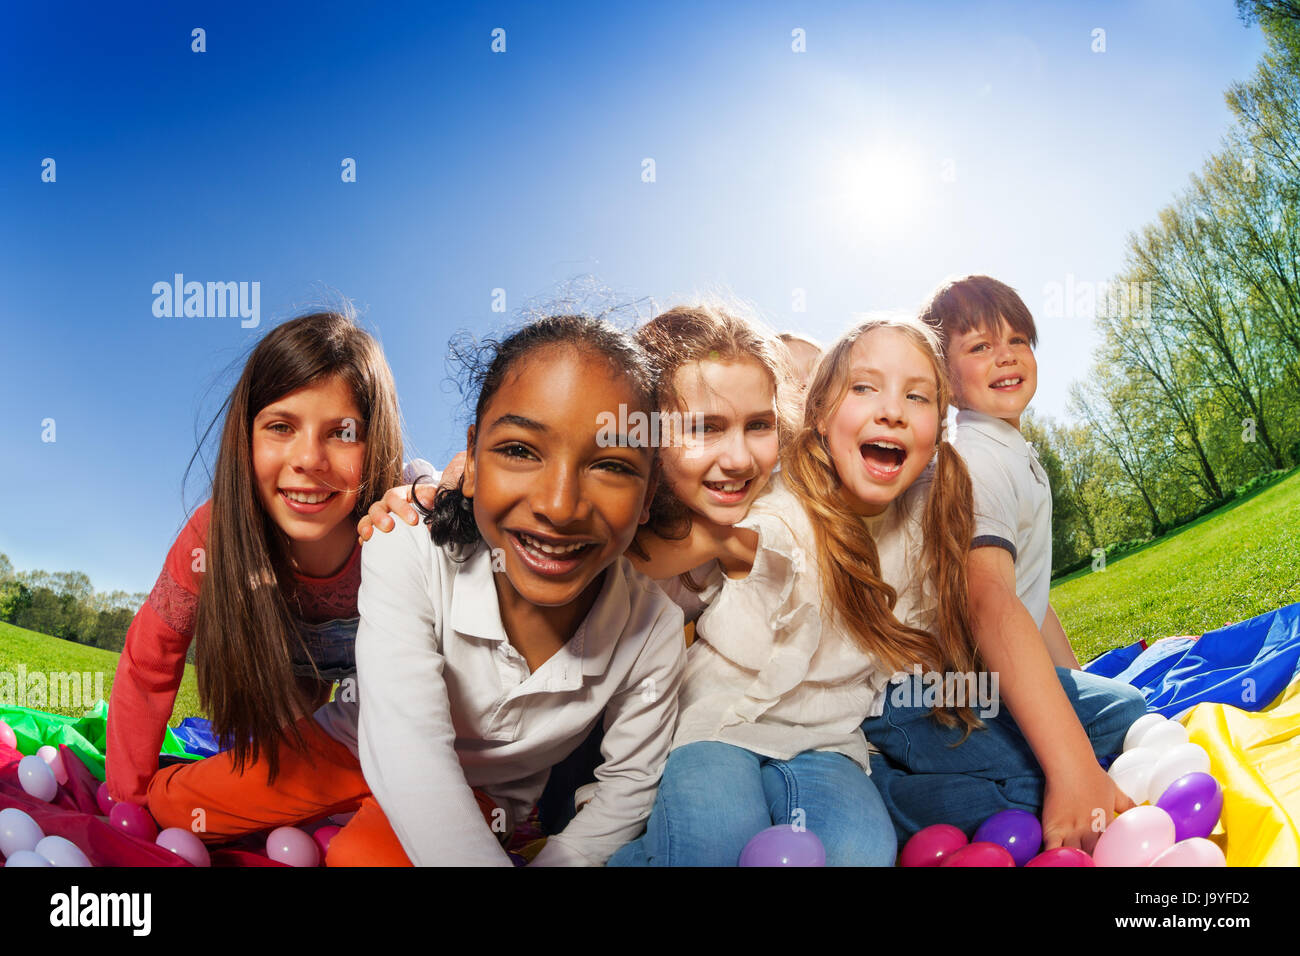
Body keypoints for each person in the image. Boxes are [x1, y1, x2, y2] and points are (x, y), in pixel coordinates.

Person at [331, 314, 686, 866]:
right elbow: (407, 750)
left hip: (481, 801)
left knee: (360, 856)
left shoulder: (653, 627)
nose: (559, 505)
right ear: (470, 460)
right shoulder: (404, 544)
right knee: (188, 805)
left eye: (612, 465)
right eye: (521, 450)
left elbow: (629, 786)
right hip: (343, 745)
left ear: (649, 495)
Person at [860, 278, 1146, 851]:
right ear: (941, 377)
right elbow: (988, 598)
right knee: (1035, 788)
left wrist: (1076, 686)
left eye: (1018, 338)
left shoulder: (1010, 451)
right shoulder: (972, 459)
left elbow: (1029, 605)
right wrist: (1070, 765)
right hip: (916, 700)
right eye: (979, 346)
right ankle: (882, 791)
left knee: (1121, 710)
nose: (1006, 354)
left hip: (978, 689)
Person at [607, 304, 897, 866]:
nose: (738, 457)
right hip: (714, 724)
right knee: (711, 846)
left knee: (858, 851)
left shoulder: (790, 498)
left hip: (823, 737)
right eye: (704, 427)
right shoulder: (634, 517)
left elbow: (760, 543)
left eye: (759, 424)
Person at [106, 311, 406, 840]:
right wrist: (128, 800)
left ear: (374, 441)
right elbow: (150, 662)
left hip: (393, 710)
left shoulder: (400, 524)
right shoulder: (213, 537)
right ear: (244, 438)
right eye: (280, 427)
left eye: (342, 433)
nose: (308, 459)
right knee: (185, 797)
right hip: (294, 680)